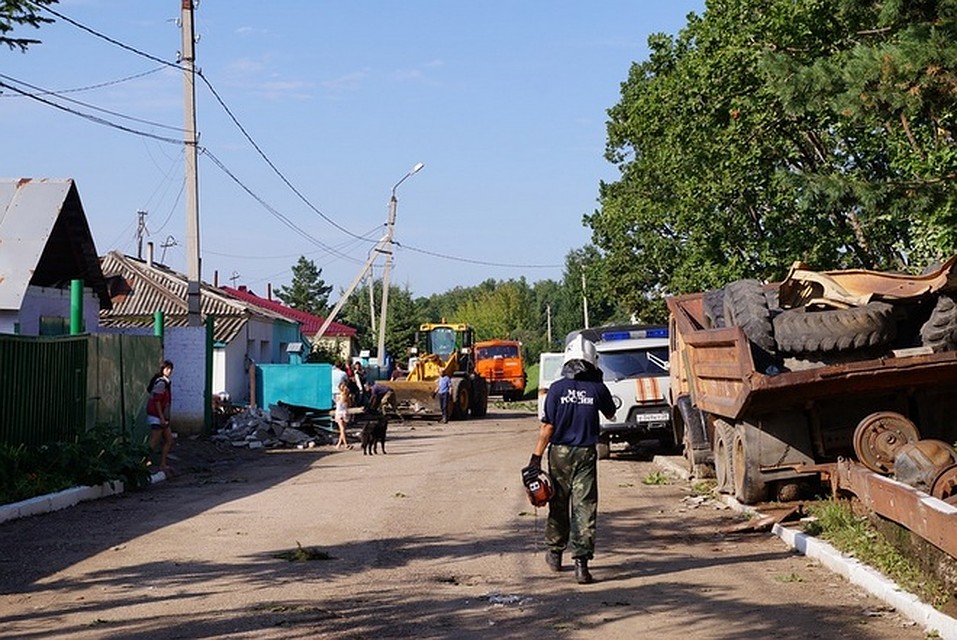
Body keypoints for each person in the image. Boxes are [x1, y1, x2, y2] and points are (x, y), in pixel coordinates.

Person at [525, 335, 615, 584]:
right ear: (592, 362)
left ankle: (555, 554)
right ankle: (581, 565)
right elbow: (610, 411)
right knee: (584, 506)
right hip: (585, 453)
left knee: (558, 502)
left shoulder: (556, 389)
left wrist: (535, 459)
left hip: (559, 454)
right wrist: (598, 384)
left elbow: (547, 427)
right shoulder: (597, 388)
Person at [146, 360, 175, 473]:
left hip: (162, 417)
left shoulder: (166, 383)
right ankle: (144, 462)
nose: (169, 371)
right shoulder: (161, 383)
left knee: (169, 440)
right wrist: (161, 417)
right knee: (154, 441)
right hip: (157, 416)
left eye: (170, 369)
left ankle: (162, 464)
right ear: (162, 369)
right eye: (167, 368)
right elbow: (157, 401)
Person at [334, 380, 353, 449]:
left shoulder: (345, 396)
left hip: (343, 412)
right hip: (340, 413)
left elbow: (349, 404)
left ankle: (338, 444)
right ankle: (346, 444)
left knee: (343, 430)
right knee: (342, 429)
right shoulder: (339, 396)